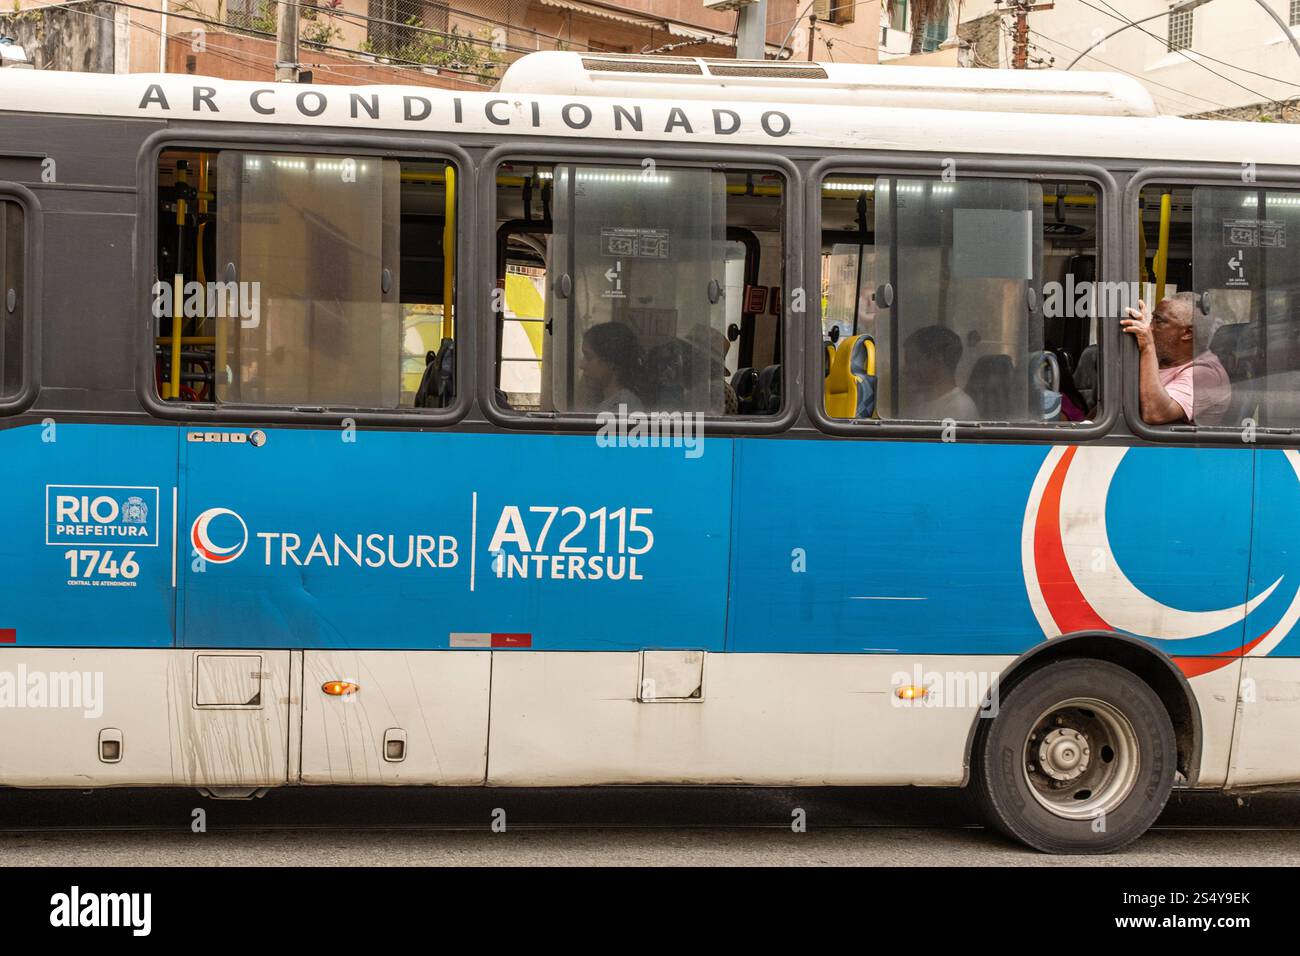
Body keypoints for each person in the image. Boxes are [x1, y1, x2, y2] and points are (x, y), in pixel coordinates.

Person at [1122, 293, 1230, 425]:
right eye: (1152, 318)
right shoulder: (1165, 360)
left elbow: (1155, 413)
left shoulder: (1206, 375)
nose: (1150, 327)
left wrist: (1148, 347)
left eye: (1158, 321)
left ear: (1187, 333)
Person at [902, 325, 978, 421]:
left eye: (911, 361)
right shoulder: (921, 403)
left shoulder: (959, 409)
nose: (905, 370)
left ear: (937, 359)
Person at [580, 322, 645, 413]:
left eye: (588, 357)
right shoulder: (602, 399)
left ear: (610, 362)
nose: (582, 365)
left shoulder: (624, 405)